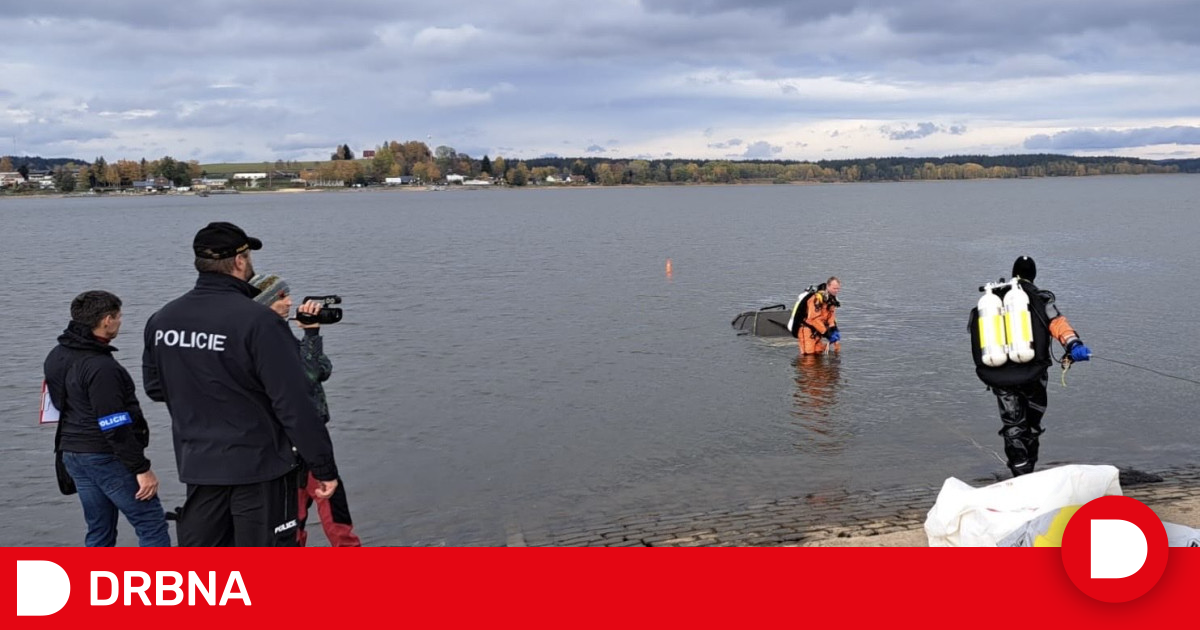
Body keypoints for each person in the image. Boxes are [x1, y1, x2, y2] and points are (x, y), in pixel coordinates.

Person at [142, 221, 339, 546]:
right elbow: (295, 404)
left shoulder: (163, 319)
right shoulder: (260, 322)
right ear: (239, 261)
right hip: (260, 469)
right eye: (248, 256)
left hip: (199, 465)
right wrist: (323, 466)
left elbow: (155, 387)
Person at [44, 290, 171, 547]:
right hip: (104, 455)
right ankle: (160, 585)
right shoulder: (102, 368)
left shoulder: (56, 355)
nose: (120, 321)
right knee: (150, 523)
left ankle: (93, 585)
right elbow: (115, 424)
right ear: (106, 320)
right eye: (119, 316)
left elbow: (58, 404)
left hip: (72, 454)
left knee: (99, 529)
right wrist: (141, 468)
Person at [251, 272, 362, 547]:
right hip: (293, 444)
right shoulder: (266, 343)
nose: (290, 302)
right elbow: (310, 374)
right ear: (263, 304)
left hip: (304, 440)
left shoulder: (279, 335)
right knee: (300, 518)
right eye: (281, 297)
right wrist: (311, 333)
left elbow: (323, 369)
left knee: (329, 515)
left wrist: (309, 335)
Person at [970, 256, 1091, 477]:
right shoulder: (1040, 298)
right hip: (1033, 374)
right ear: (1033, 275)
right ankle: (1028, 471)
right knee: (1032, 424)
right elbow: (1058, 324)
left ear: (1013, 272)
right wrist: (1074, 345)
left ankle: (1019, 471)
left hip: (999, 373)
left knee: (1013, 424)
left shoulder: (994, 299)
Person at [793, 276, 842, 355]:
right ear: (828, 286)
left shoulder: (832, 300)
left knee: (818, 354)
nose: (837, 291)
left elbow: (831, 317)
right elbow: (814, 319)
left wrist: (834, 330)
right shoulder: (816, 298)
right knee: (808, 357)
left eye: (838, 289)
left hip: (818, 332)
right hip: (807, 331)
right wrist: (827, 333)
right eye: (834, 288)